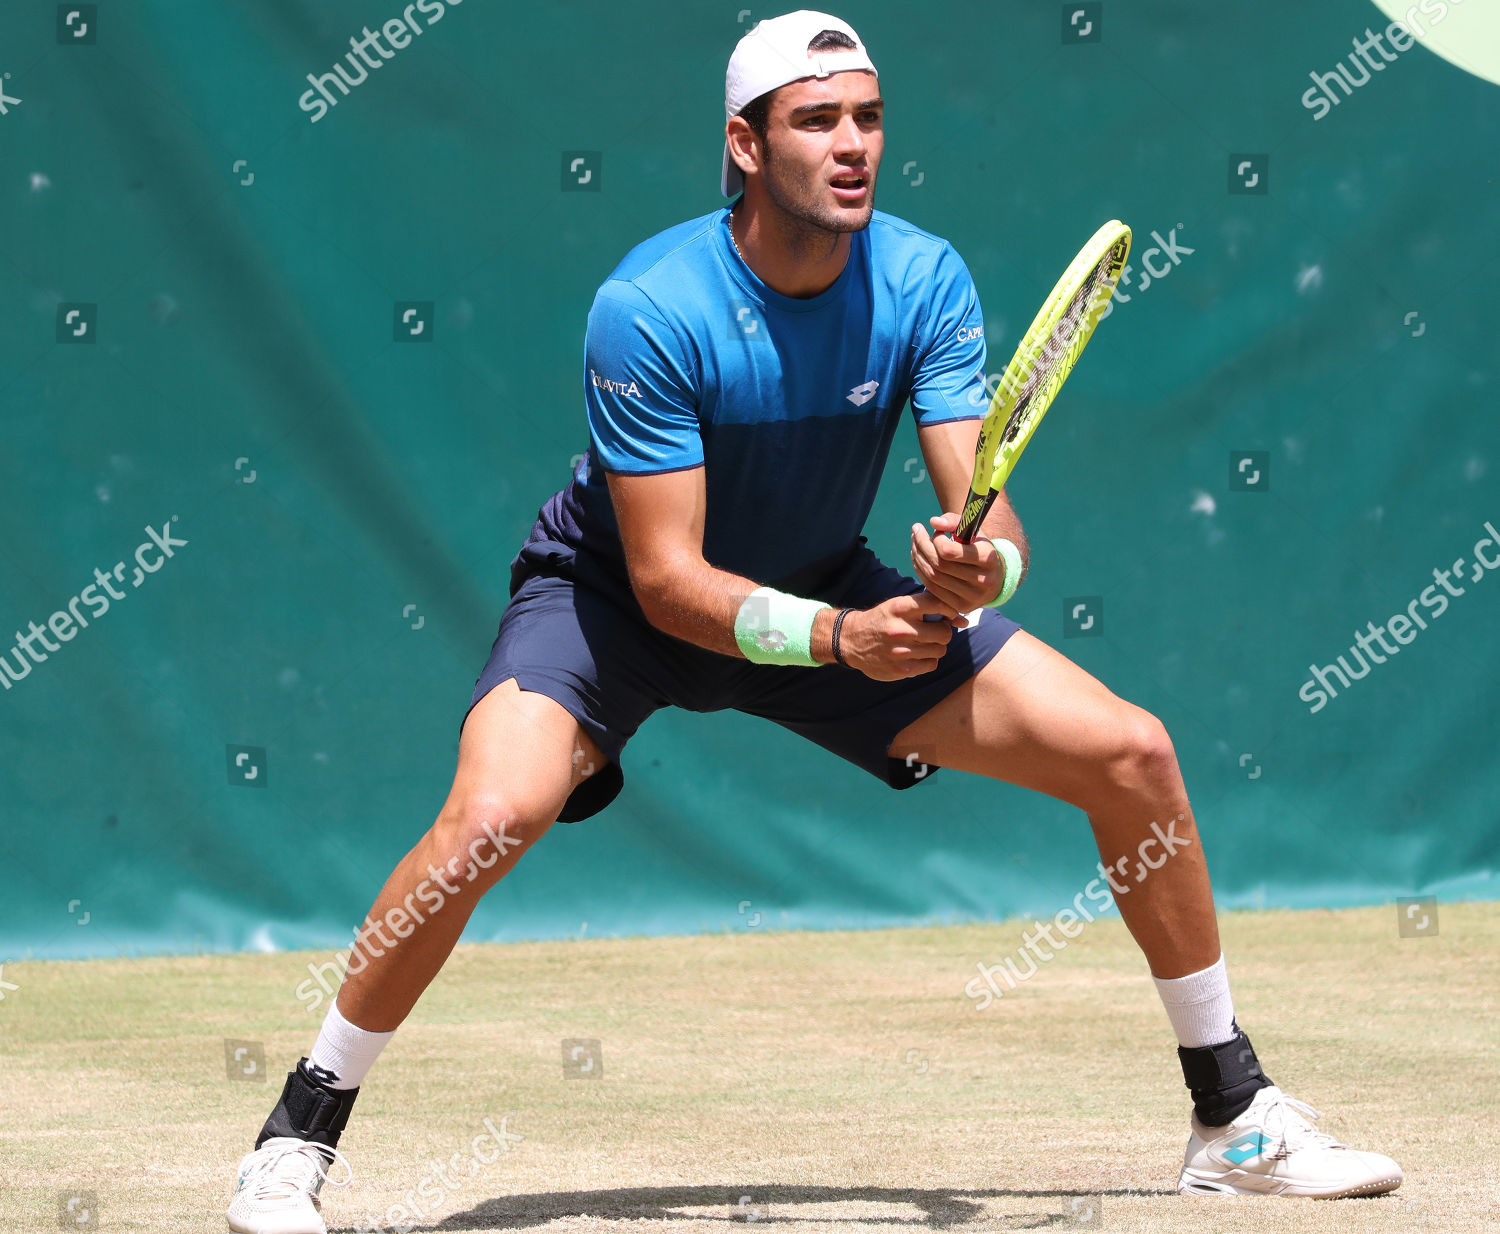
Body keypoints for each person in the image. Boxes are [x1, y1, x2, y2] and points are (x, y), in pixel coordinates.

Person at [227, 11, 1402, 1231]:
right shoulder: (652, 306)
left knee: (1133, 753)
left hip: (819, 585)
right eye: (817, 119)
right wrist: (844, 638)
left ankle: (1233, 1115)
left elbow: (995, 531)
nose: (853, 144)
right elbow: (671, 578)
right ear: (744, 144)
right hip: (613, 603)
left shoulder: (922, 278)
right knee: (489, 818)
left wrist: (971, 574)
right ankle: (295, 1138)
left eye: (870, 117)